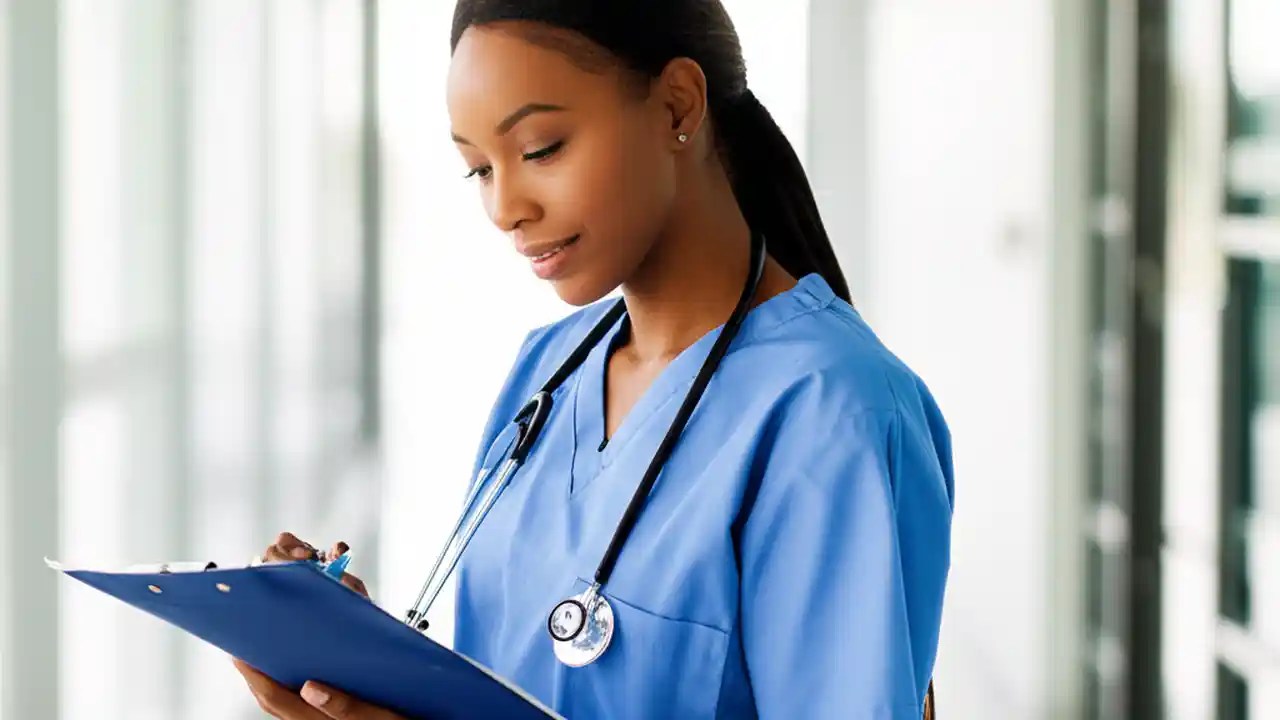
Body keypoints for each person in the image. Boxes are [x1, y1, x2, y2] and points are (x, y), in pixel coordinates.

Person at [233, 1, 954, 718]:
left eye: (540, 148)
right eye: (478, 170)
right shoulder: (550, 370)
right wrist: (366, 668)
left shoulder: (836, 411)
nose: (505, 206)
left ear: (677, 103)